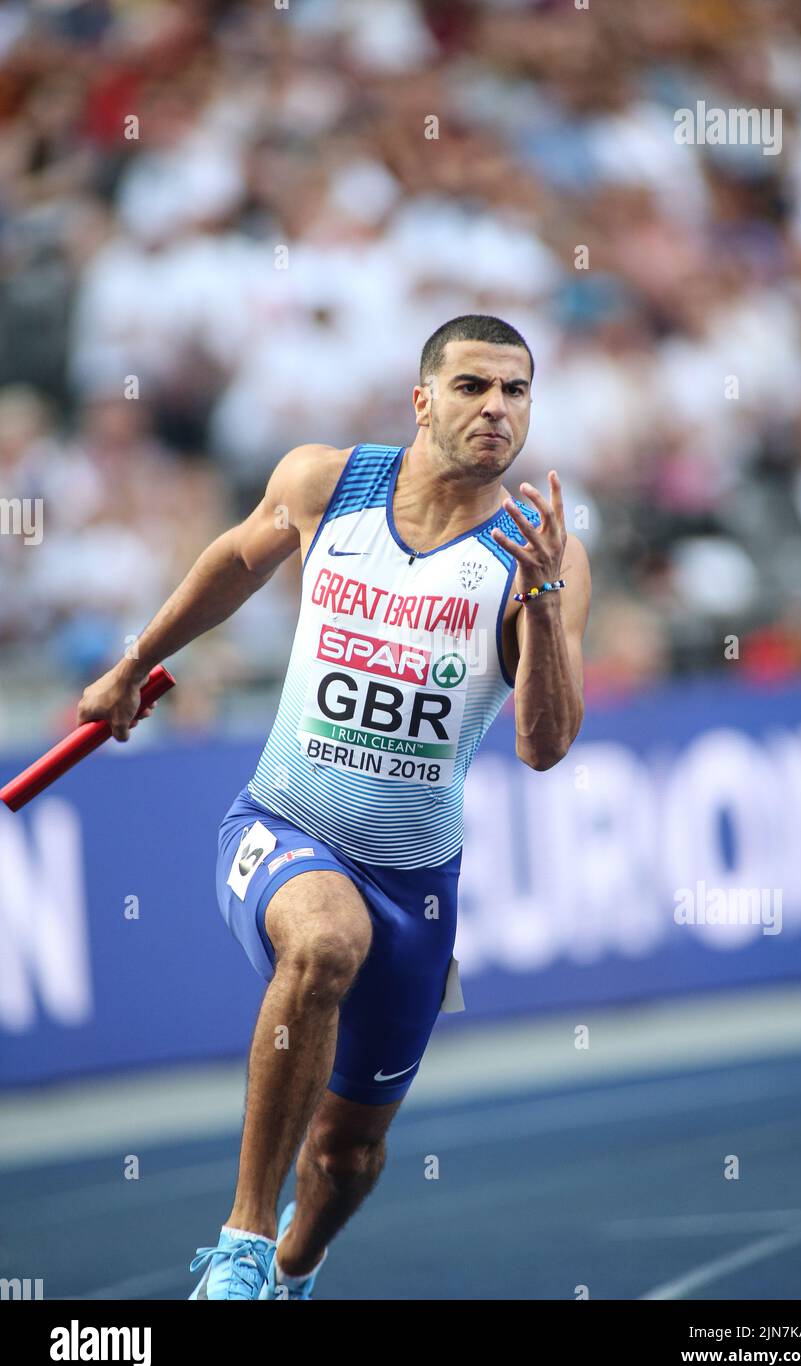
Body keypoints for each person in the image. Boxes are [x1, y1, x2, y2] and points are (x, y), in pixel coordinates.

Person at [77, 314, 591, 1300]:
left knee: (346, 1155)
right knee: (321, 941)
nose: (494, 409)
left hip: (417, 892)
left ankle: (292, 1263)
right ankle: (238, 1244)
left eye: (514, 391)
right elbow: (235, 559)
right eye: (472, 386)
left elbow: (542, 744)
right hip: (281, 824)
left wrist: (539, 596)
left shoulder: (541, 550)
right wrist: (137, 659)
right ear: (421, 399)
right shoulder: (326, 482)